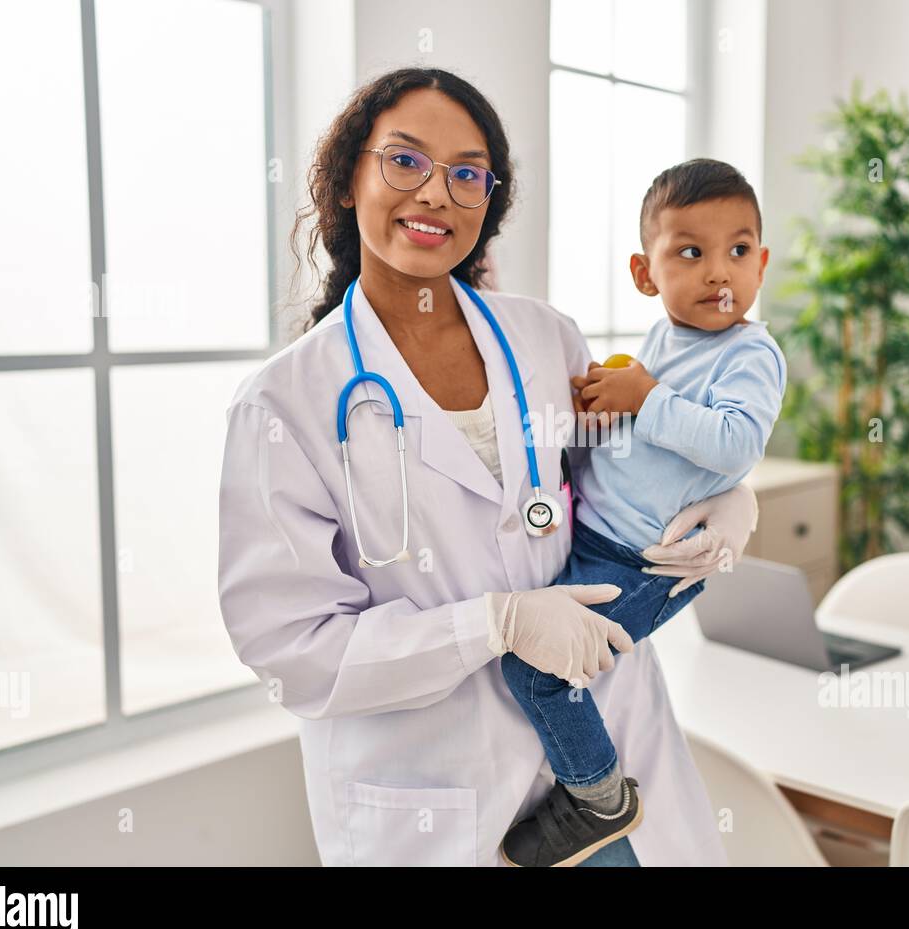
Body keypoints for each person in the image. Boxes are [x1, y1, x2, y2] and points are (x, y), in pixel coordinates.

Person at [216, 67, 758, 866]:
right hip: (441, 799)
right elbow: (291, 649)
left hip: (611, 765)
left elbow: (625, 471)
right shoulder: (284, 403)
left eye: (467, 174)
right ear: (345, 182)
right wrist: (494, 625)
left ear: (488, 203)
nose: (435, 193)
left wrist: (732, 492)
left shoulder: (545, 339)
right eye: (404, 162)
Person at [498, 159, 787, 867]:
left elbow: (735, 442)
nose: (720, 271)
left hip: (643, 564)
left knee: (538, 672)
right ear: (643, 271)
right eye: (691, 252)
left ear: (763, 262)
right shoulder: (660, 343)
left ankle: (598, 798)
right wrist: (598, 413)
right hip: (599, 539)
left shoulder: (751, 353)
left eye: (739, 250)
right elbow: (639, 443)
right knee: (540, 664)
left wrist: (644, 399)